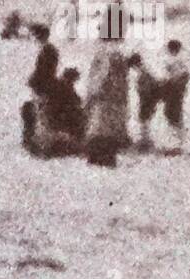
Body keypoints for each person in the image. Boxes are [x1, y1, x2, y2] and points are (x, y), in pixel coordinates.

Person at [82, 10, 130, 166]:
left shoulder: (105, 53)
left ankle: (99, 158)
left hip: (103, 98)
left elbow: (100, 77)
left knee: (100, 129)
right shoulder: (119, 53)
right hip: (116, 98)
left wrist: (91, 96)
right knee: (110, 129)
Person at [134, 40, 189, 152]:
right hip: (166, 83)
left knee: (150, 113)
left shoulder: (169, 61)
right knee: (172, 114)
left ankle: (172, 143)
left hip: (161, 83)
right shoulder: (177, 61)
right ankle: (176, 143)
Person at [21, 23, 59, 152]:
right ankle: (36, 139)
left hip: (44, 87)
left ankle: (38, 141)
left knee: (40, 113)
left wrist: (34, 81)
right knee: (38, 112)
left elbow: (44, 71)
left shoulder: (47, 50)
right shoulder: (49, 49)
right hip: (44, 86)